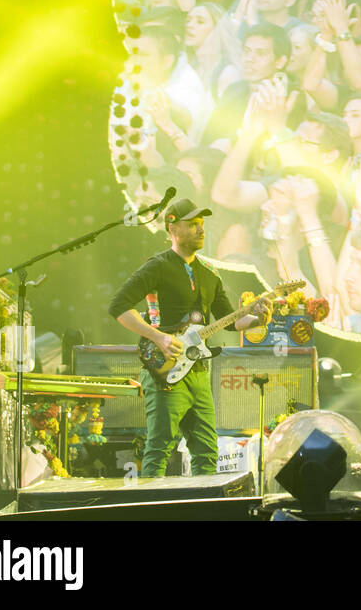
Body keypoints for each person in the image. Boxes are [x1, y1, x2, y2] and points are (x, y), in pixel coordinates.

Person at [108, 199, 271, 477]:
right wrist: (158, 337)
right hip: (165, 367)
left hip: (198, 371)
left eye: (202, 224)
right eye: (193, 224)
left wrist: (258, 318)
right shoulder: (157, 266)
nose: (200, 229)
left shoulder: (210, 274)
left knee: (207, 450)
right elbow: (119, 307)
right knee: (160, 448)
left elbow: (230, 320)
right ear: (173, 228)